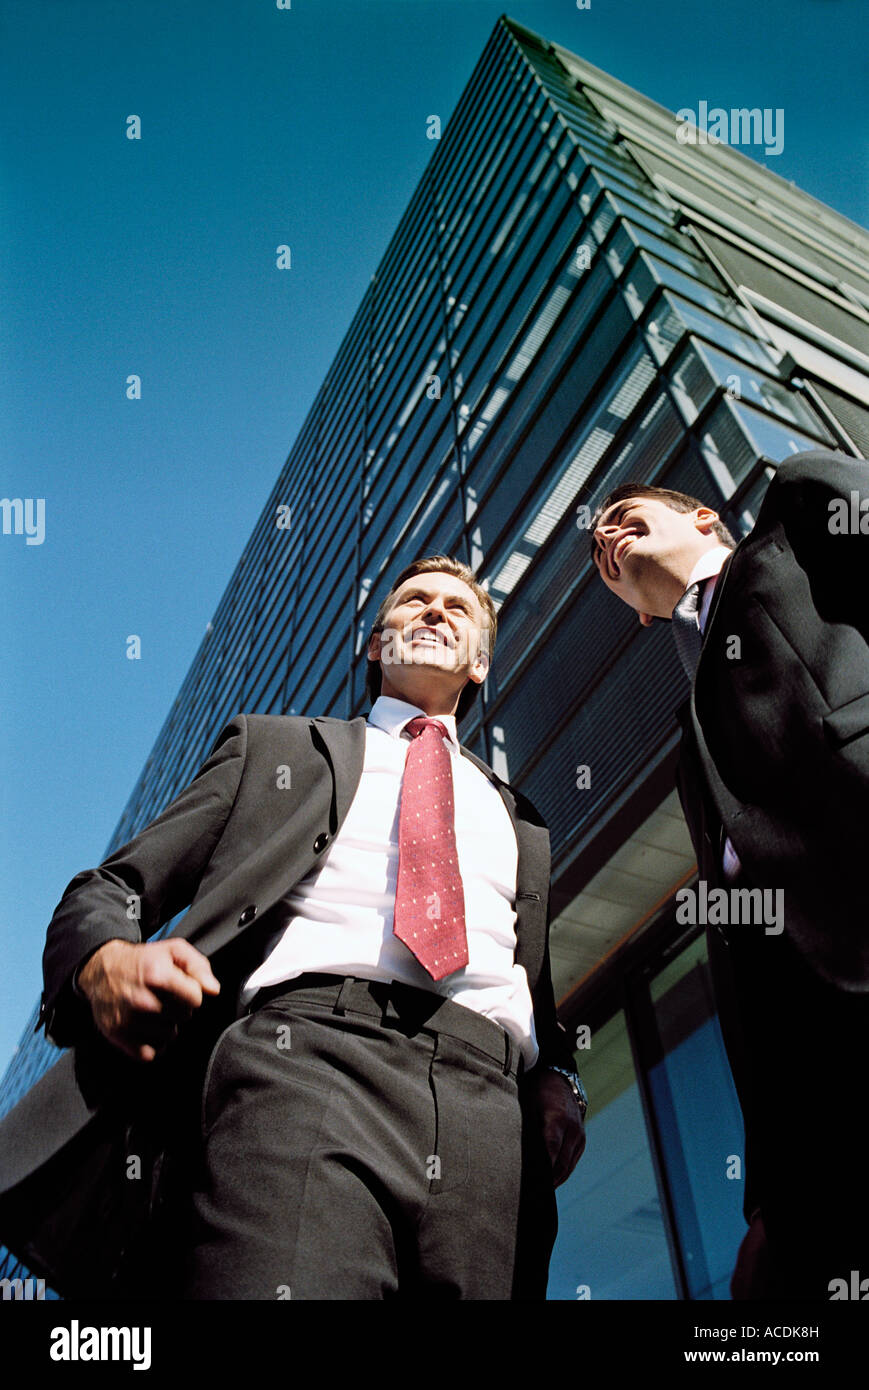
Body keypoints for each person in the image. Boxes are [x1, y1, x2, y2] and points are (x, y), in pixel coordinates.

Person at [0, 555, 585, 1301]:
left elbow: (534, 990)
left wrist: (558, 1080)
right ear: (376, 646)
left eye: (457, 609)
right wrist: (103, 961)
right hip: (305, 1066)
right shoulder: (272, 748)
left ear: (478, 663)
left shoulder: (522, 822)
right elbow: (111, 885)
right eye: (413, 601)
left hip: (491, 1119)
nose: (435, 611)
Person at [589, 447, 869, 1300]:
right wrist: (767, 1201)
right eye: (599, 548)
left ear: (704, 517)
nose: (606, 534)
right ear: (638, 619)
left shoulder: (791, 513)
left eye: (627, 516)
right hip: (821, 1057)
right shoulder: (691, 744)